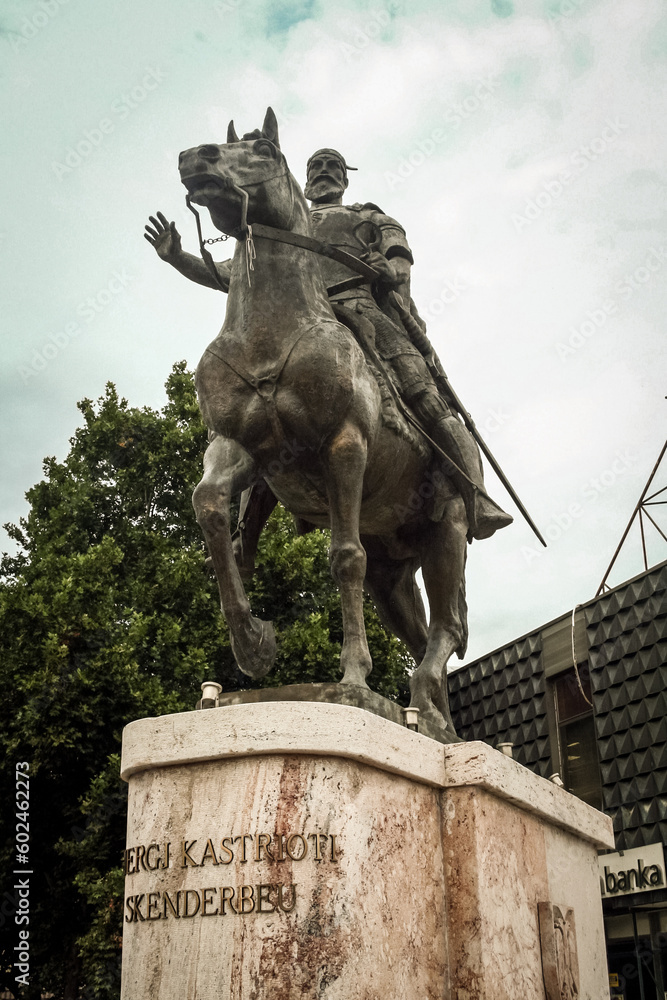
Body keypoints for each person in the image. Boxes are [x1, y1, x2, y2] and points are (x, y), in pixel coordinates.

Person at [144, 147, 512, 571]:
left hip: (361, 311)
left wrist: (386, 271)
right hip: (296, 316)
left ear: (344, 178)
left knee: (425, 396)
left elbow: (400, 271)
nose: (322, 171)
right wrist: (177, 257)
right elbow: (228, 273)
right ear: (303, 176)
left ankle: (476, 496)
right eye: (315, 166)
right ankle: (245, 536)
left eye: (331, 166)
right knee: (253, 415)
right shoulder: (279, 222)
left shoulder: (368, 217)